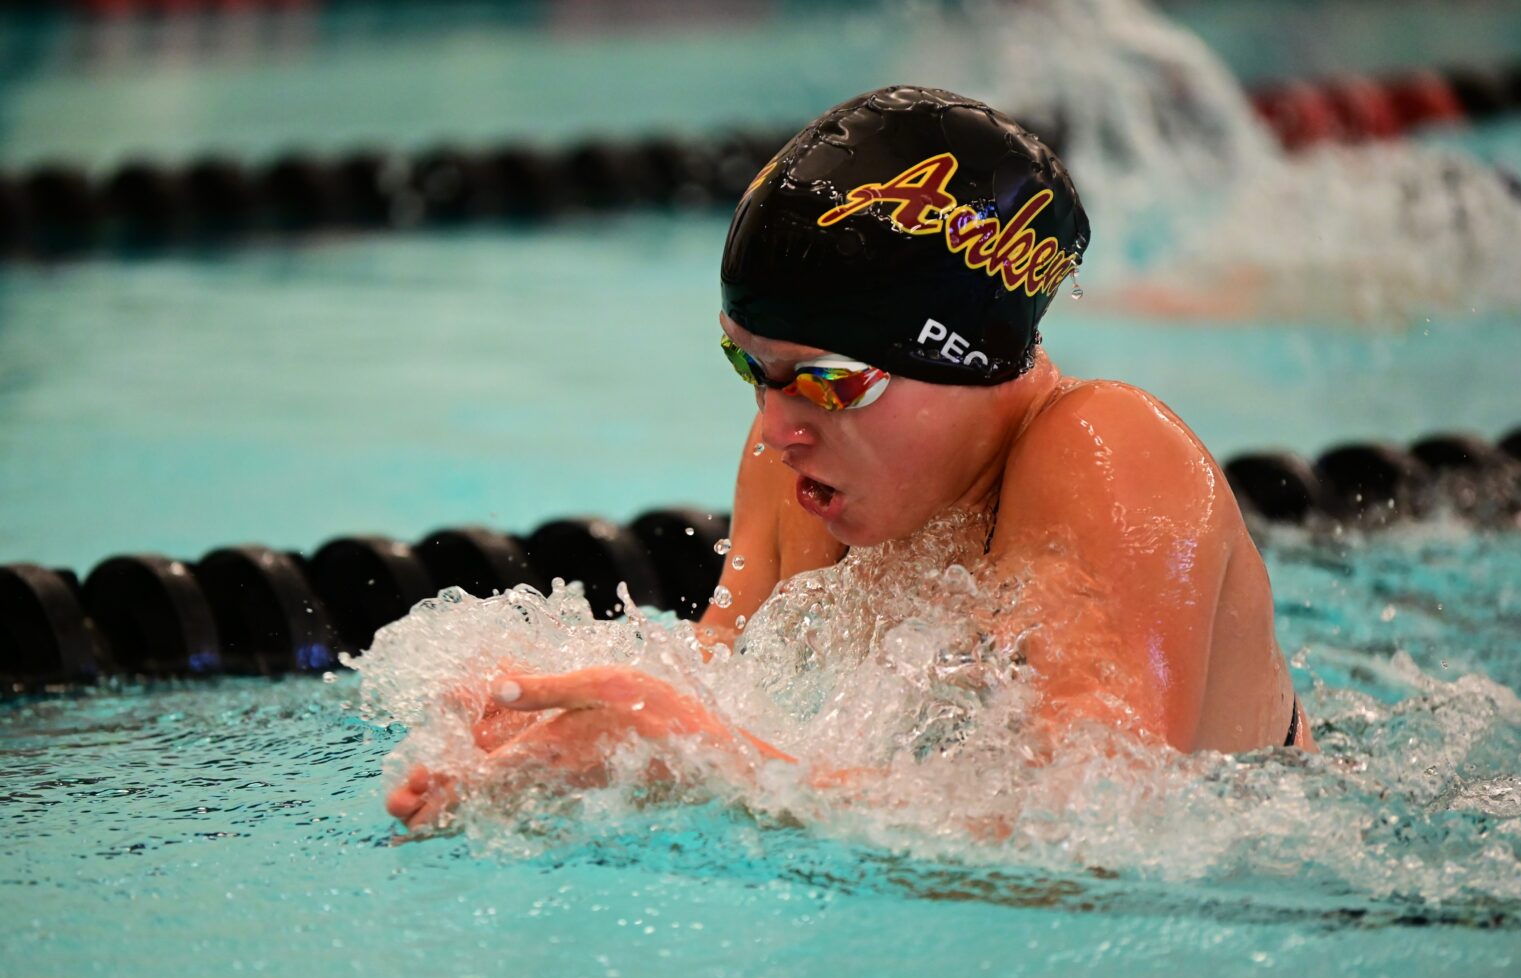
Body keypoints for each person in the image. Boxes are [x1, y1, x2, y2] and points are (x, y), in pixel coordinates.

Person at [386, 85, 1314, 832]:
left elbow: (1092, 834)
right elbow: (726, 689)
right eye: (749, 367)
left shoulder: (1109, 455)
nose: (779, 425)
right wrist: (579, 728)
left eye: (828, 381)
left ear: (962, 357)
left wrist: (713, 762)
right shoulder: (800, 465)